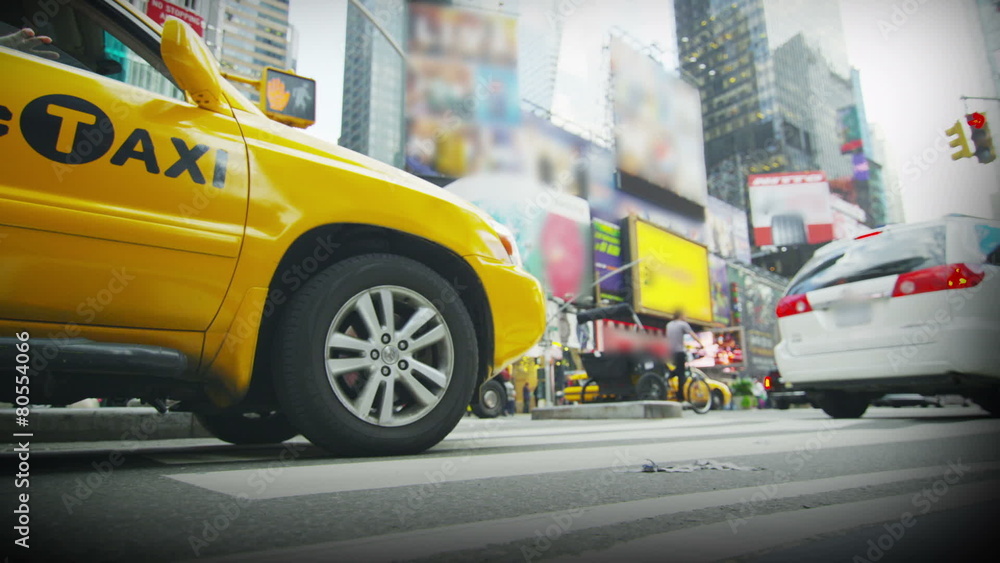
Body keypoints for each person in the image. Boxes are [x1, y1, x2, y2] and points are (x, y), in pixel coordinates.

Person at [666, 309, 705, 402]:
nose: (686, 317)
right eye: (685, 315)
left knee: (677, 370)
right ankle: (681, 397)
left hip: (670, 352)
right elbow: (693, 335)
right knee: (681, 374)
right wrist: (701, 344)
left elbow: (674, 339)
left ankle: (666, 376)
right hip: (679, 352)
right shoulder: (683, 324)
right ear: (681, 315)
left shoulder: (669, 325)